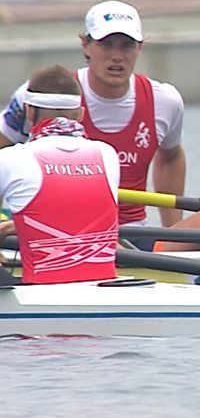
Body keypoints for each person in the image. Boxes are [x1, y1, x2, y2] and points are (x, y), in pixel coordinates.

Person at [0, 0, 200, 244]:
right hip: (56, 231)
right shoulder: (46, 95)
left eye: (126, 46)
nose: (116, 56)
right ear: (86, 45)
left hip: (132, 233)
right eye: (106, 45)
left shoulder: (164, 101)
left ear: (139, 48)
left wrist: (172, 231)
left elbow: (171, 157)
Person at [0, 65, 120, 284]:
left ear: (29, 111)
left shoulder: (9, 159)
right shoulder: (107, 155)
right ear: (81, 114)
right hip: (106, 287)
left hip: (39, 294)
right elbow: (69, 213)